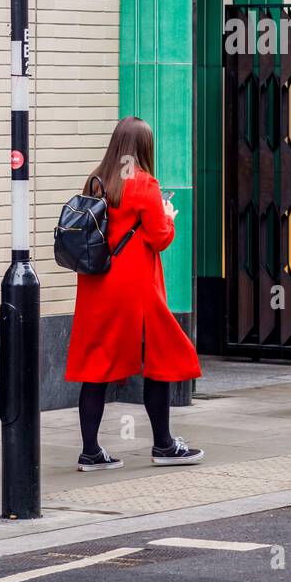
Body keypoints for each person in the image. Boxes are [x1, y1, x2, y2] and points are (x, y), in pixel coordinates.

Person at [64, 116, 204, 469]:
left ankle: (91, 452)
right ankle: (164, 445)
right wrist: (169, 215)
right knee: (159, 360)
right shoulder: (144, 184)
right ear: (144, 147)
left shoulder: (96, 179)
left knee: (95, 367)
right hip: (135, 289)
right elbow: (160, 237)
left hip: (98, 286)